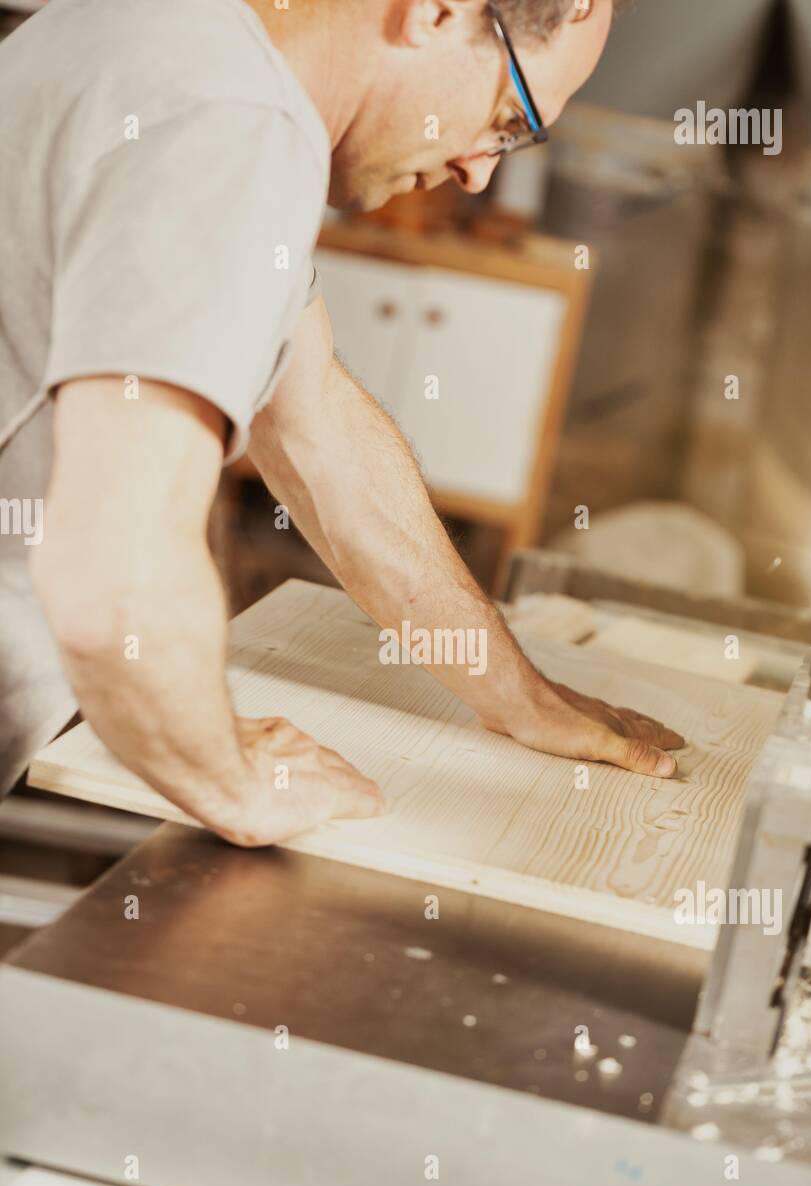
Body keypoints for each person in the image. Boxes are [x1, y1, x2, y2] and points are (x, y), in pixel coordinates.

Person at [0, 0, 681, 847]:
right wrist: (238, 783)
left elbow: (311, 413)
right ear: (436, 13)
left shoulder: (187, 45)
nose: (480, 172)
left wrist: (514, 692)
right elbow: (112, 576)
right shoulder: (237, 123)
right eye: (508, 120)